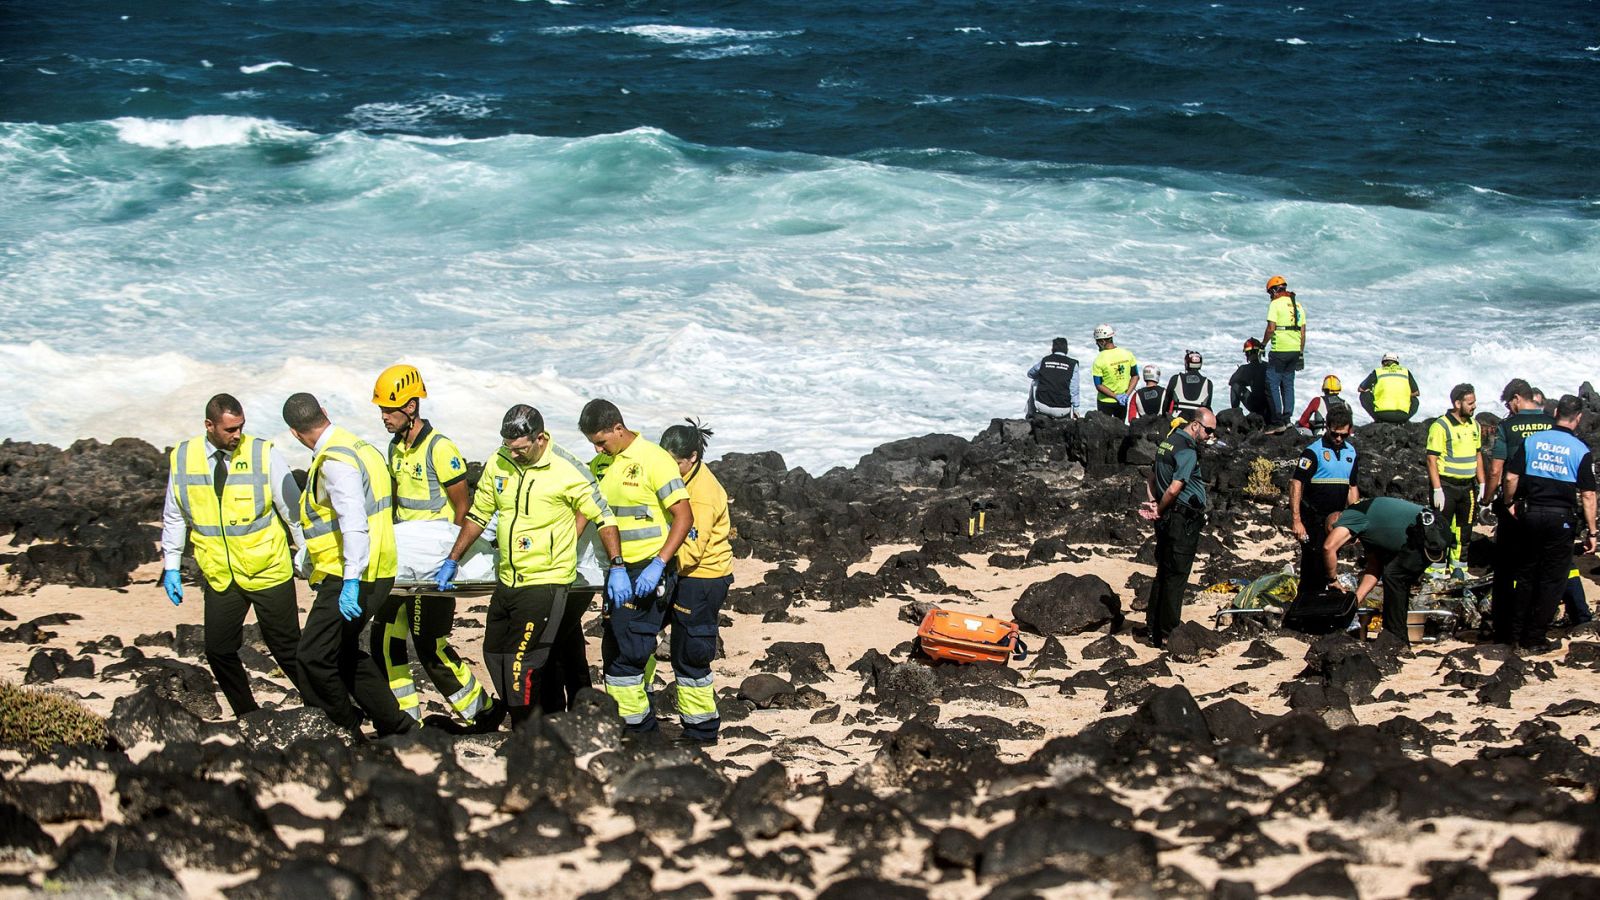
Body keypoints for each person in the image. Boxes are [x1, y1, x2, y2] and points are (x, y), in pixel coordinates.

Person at [435, 405, 624, 729]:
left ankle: (529, 734)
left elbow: (603, 516)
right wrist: (452, 559)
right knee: (494, 655)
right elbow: (479, 515)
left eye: (521, 449)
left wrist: (617, 566)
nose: (515, 455)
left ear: (540, 438)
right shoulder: (500, 462)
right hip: (508, 579)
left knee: (521, 666)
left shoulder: (567, 469)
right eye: (510, 448)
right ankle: (538, 723)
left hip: (547, 581)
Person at [160, 393, 305, 717]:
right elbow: (174, 515)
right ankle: (248, 714)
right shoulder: (183, 457)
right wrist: (171, 565)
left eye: (240, 426)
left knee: (288, 651)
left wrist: (307, 554)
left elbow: (293, 511)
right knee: (218, 650)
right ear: (209, 425)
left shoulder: (262, 453)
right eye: (229, 429)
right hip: (221, 575)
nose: (237, 434)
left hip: (267, 569)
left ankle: (326, 708)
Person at [282, 392, 413, 735]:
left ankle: (342, 727)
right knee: (342, 652)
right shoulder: (360, 447)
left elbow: (353, 521)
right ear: (325, 412)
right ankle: (398, 726)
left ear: (295, 433)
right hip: (379, 568)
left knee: (311, 658)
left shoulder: (334, 461)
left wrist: (351, 581)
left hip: (350, 576)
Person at [371, 364, 493, 729]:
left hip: (435, 567)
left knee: (429, 646)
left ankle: (481, 711)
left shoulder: (441, 450)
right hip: (404, 563)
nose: (383, 418)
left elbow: (463, 508)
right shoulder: (395, 449)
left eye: (388, 410)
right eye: (380, 410)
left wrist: (452, 561)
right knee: (384, 640)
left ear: (410, 407)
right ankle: (405, 720)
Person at [579, 399, 694, 733]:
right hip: (616, 570)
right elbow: (587, 511)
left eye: (601, 441)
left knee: (626, 655)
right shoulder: (601, 463)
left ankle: (640, 733)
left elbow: (684, 517)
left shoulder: (654, 460)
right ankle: (631, 726)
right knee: (613, 649)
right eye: (592, 444)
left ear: (619, 427)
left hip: (647, 568)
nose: (598, 448)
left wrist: (659, 564)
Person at [1501, 395, 1598, 653]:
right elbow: (1588, 495)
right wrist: (1592, 531)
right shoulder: (1580, 450)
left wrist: (1510, 502)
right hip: (1560, 518)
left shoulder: (1532, 440)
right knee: (1552, 579)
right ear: (1577, 419)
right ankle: (1534, 637)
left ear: (1555, 412)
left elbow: (1511, 477)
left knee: (1526, 575)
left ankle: (1514, 634)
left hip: (1531, 514)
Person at [658, 419, 734, 744]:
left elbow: (690, 551)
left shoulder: (702, 494)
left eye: (674, 462)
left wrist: (655, 567)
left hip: (701, 579)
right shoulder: (676, 479)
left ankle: (701, 729)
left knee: (690, 653)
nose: (668, 467)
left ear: (692, 457)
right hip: (680, 572)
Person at [1483, 379, 1557, 643]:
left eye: (1508, 404)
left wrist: (1490, 499)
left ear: (1516, 398)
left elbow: (1496, 470)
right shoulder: (1551, 423)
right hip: (1548, 503)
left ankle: (1504, 629)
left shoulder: (1508, 426)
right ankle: (1534, 628)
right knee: (1538, 569)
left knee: (1506, 569)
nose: (1508, 408)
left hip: (1516, 505)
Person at [1139, 408, 1216, 648]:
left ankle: (1153, 627)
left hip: (1168, 516)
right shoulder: (1187, 451)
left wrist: (1154, 503)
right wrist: (1160, 509)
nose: (1210, 436)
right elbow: (1174, 488)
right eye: (1209, 430)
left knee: (1164, 571)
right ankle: (1168, 632)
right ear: (1195, 425)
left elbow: (1151, 478)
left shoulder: (1167, 442)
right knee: (1177, 576)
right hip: (1181, 518)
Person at [1321, 497, 1445, 645]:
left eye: (1339, 534)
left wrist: (1333, 580)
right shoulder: (1367, 527)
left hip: (1431, 530)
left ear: (1337, 521)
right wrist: (1355, 600)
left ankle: (1395, 639)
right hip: (1431, 529)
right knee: (1395, 575)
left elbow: (1328, 547)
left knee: (1393, 576)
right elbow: (1374, 569)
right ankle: (1396, 635)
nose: (1348, 543)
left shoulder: (1351, 515)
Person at [1289, 404, 1359, 601]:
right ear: (1327, 427)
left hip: (1335, 518)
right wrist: (1296, 520)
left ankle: (1322, 600)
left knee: (1330, 558)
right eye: (1335, 434)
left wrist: (1355, 520)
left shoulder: (1351, 453)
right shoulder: (1313, 452)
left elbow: (1352, 487)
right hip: (1312, 517)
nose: (1338, 439)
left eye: (1343, 435)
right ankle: (1307, 603)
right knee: (1313, 563)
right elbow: (1296, 484)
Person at [1425, 384, 1486, 580]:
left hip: (1467, 487)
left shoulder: (1474, 425)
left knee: (1464, 529)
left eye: (1474, 402)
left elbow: (1478, 455)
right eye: (1470, 403)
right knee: (1440, 530)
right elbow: (1431, 459)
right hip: (1446, 485)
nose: (1474, 406)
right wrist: (1436, 489)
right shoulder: (1441, 426)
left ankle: (1459, 567)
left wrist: (1482, 483)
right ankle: (1437, 568)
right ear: (1457, 403)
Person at [1261, 275, 1306, 432]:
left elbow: (1271, 329)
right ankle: (1287, 419)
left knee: (1272, 384)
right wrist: (1300, 353)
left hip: (1280, 349)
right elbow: (1303, 332)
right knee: (1288, 384)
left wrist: (1262, 345)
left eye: (1269, 293)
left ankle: (1277, 421)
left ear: (1274, 290)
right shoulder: (1297, 305)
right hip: (1294, 350)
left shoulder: (1275, 304)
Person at [1090, 324, 1138, 420]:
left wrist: (1115, 396)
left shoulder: (1099, 359)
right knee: (1120, 431)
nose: (1096, 344)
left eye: (1097, 341)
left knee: (1104, 431)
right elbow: (1135, 376)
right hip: (1123, 401)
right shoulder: (1128, 354)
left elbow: (1098, 385)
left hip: (1105, 402)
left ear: (1103, 341)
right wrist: (1126, 395)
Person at [1026, 338, 1080, 418]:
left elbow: (1030, 374)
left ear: (1052, 349)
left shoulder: (1045, 360)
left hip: (1042, 406)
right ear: (1067, 350)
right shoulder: (1073, 364)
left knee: (1035, 381)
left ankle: (1030, 414)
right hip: (1063, 410)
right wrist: (1076, 409)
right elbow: (1074, 390)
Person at [1358, 352, 1420, 423]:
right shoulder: (1405, 372)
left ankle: (1378, 420)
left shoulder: (1378, 372)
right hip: (1403, 415)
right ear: (1397, 363)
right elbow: (1416, 393)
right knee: (1415, 400)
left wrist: (1374, 391)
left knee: (1364, 395)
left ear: (1383, 363)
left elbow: (1361, 389)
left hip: (1382, 415)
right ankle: (1403, 421)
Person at [1228, 338, 1271, 420]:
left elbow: (1231, 382)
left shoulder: (1245, 369)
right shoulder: (1269, 366)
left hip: (1257, 407)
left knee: (1235, 386)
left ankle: (1234, 414)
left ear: (1247, 354)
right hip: (1271, 408)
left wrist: (1245, 380)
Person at [1163, 350, 1213, 417]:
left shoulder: (1176, 379)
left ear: (1186, 364)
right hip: (1197, 420)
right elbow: (1207, 407)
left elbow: (1166, 402)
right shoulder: (1208, 383)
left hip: (1177, 419)